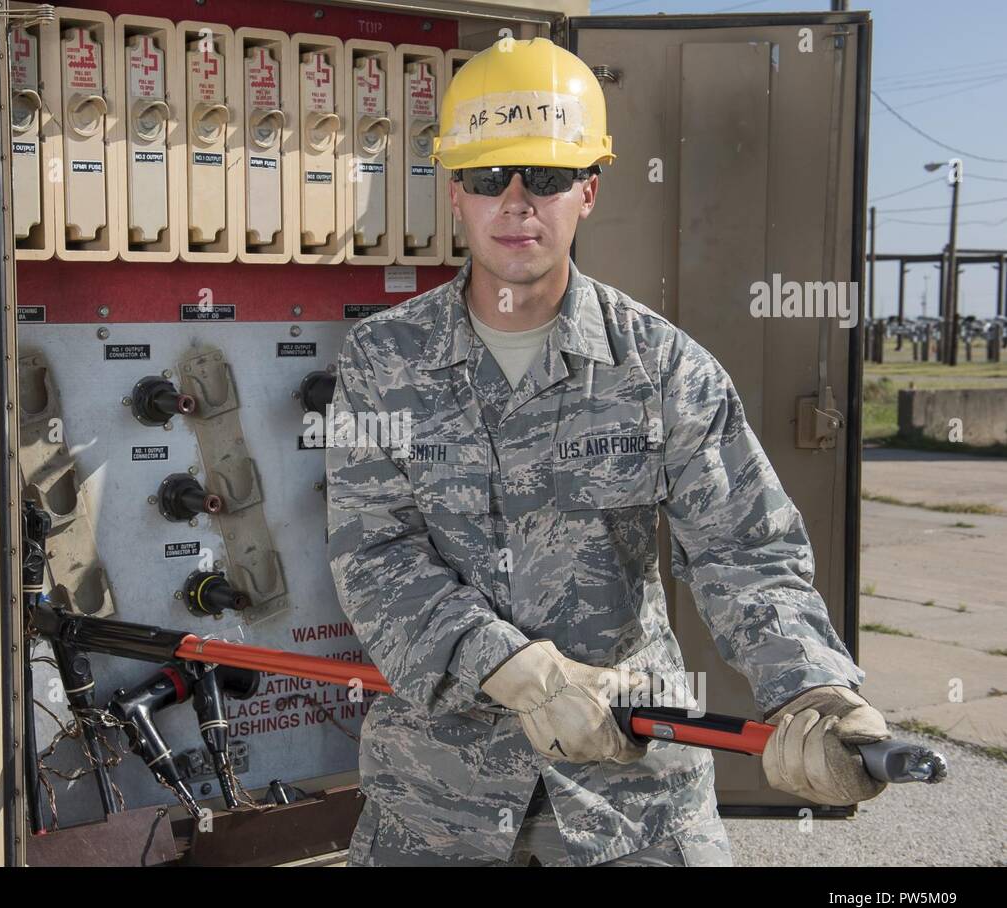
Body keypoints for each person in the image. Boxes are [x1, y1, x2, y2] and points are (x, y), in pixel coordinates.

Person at [324, 37, 889, 866]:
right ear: (455, 194)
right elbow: (373, 553)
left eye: (547, 178)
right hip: (438, 803)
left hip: (631, 800)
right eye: (489, 179)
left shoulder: (662, 366)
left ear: (588, 190)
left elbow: (744, 550)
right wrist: (513, 668)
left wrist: (814, 688)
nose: (517, 205)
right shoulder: (380, 360)